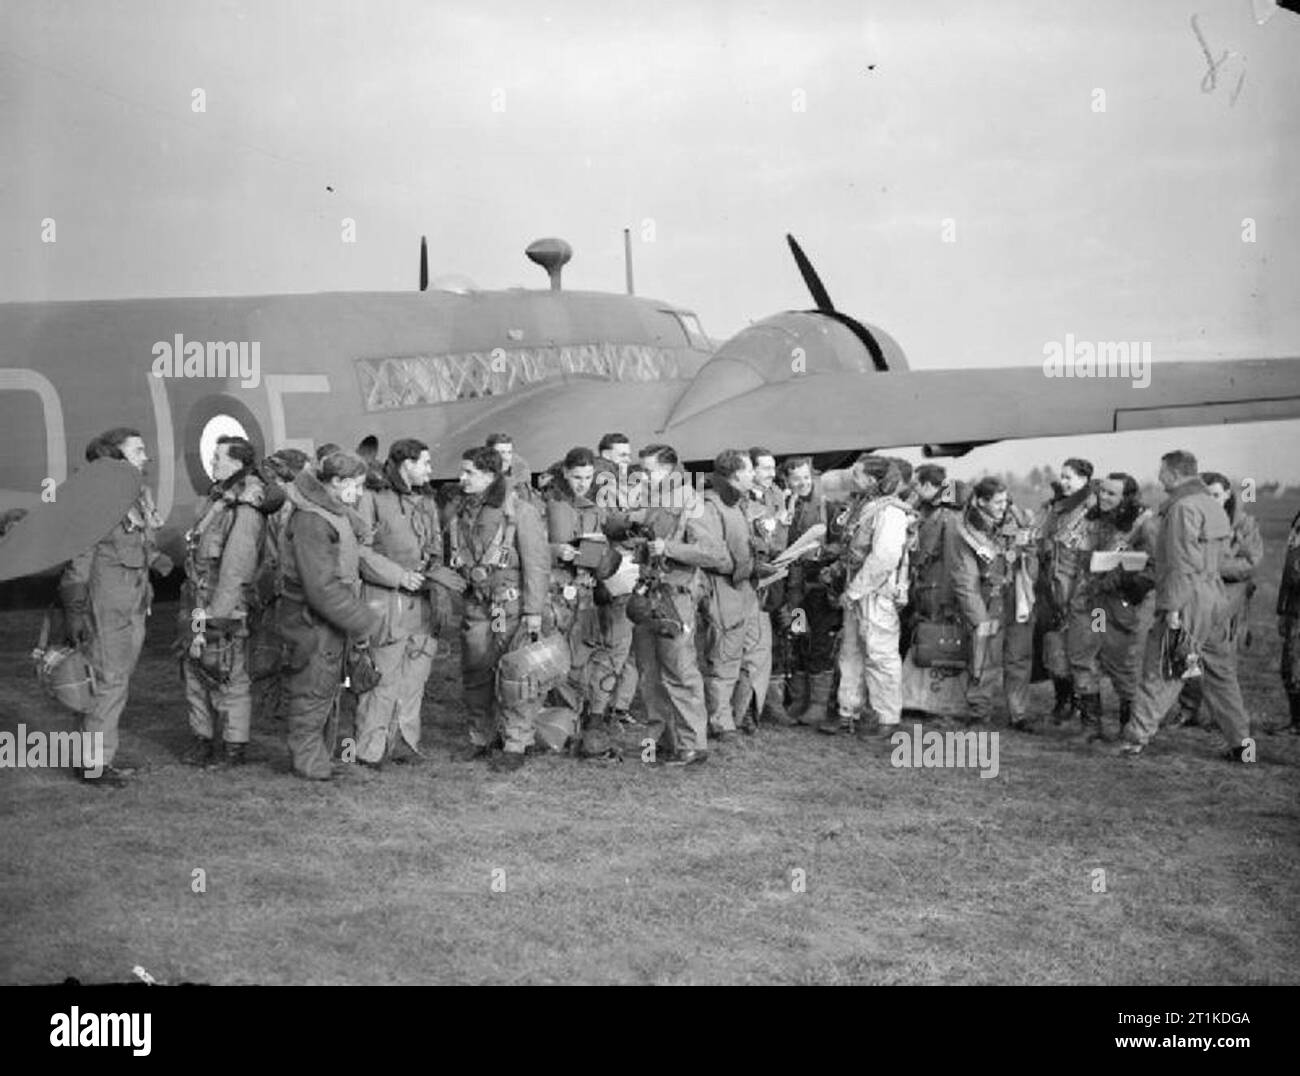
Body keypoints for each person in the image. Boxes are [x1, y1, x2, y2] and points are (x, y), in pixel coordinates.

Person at [60, 428, 173, 787]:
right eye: (138, 450)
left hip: (133, 603)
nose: (146, 457)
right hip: (108, 608)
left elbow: (131, 543)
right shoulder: (98, 501)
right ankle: (94, 765)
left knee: (112, 682)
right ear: (117, 458)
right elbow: (81, 555)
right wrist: (75, 609)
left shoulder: (134, 496)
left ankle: (91, 759)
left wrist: (156, 559)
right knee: (109, 683)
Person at [1120, 451, 1251, 760]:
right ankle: (1243, 746)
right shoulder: (1211, 505)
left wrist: (1173, 610)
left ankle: (1135, 740)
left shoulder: (1181, 508)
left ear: (1175, 474)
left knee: (1162, 670)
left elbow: (1181, 564)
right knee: (1221, 676)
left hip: (1188, 599)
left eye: (1162, 470)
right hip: (1215, 598)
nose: (1159, 475)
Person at [278, 451, 382, 781]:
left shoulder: (329, 514)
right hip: (314, 624)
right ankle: (312, 767)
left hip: (331, 621)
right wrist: (363, 619)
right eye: (357, 485)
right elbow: (320, 588)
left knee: (333, 691)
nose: (360, 493)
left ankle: (331, 759)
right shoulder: (313, 520)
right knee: (313, 692)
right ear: (336, 482)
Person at [179, 435, 281, 768]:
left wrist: (218, 617)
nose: (213, 464)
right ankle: (201, 741)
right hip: (197, 598)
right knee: (194, 669)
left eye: (219, 458)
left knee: (228, 673)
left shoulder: (245, 508)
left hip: (223, 605)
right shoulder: (218, 500)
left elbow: (236, 568)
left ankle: (234, 747)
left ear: (238, 463)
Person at [449, 446, 550, 772]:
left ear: (491, 476)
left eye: (470, 473)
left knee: (516, 679)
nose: (462, 478)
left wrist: (533, 612)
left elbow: (537, 565)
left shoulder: (521, 512)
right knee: (476, 672)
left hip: (511, 608)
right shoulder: (461, 512)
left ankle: (517, 742)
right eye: (462, 471)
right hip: (477, 606)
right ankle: (482, 737)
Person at [632, 444, 728, 765]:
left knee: (680, 672)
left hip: (675, 598)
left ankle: (692, 744)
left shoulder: (691, 501)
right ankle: (660, 739)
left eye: (649, 471)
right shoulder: (653, 498)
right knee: (648, 671)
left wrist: (669, 548)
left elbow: (715, 553)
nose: (643, 476)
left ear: (670, 468)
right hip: (648, 595)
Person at [351, 438, 441, 769]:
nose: (431, 470)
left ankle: (404, 742)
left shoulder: (426, 501)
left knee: (415, 676)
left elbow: (434, 545)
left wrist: (434, 571)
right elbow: (359, 551)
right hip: (386, 604)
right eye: (425, 463)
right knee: (381, 678)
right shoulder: (372, 498)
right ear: (406, 464)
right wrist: (399, 576)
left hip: (423, 605)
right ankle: (367, 750)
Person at [1167, 472, 1263, 730]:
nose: (1211, 501)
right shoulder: (1191, 519)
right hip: (1194, 598)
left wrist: (1212, 567)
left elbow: (1250, 563)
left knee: (1221, 664)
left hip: (1227, 599)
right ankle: (1188, 709)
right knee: (1186, 652)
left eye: (1216, 495)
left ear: (1228, 495)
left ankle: (1225, 720)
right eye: (1205, 495)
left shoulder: (1243, 524)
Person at [826, 457, 914, 738]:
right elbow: (855, 551)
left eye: (859, 475)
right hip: (859, 590)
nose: (854, 479)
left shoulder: (891, 513)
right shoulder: (865, 507)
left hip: (877, 593)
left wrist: (854, 591)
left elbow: (884, 558)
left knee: (880, 655)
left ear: (874, 480)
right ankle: (847, 712)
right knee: (850, 653)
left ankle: (886, 719)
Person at [1070, 474, 1157, 740]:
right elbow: (1080, 554)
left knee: (1121, 664)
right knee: (1084, 658)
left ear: (1127, 497)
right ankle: (1090, 726)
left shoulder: (1144, 524)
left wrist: (1126, 577)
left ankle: (1127, 725)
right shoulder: (1091, 519)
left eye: (1112, 494)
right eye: (1102, 492)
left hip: (1121, 604)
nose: (1104, 497)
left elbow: (1154, 566)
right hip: (1090, 602)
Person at [948, 476, 1038, 731]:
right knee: (984, 657)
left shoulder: (1019, 519)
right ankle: (979, 712)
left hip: (1018, 597)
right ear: (981, 501)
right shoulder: (964, 530)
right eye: (997, 502)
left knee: (1019, 657)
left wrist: (1028, 557)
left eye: (1005, 500)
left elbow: (1032, 558)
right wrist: (979, 619)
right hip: (987, 600)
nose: (1003, 506)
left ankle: (1018, 714)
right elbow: (964, 579)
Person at [699, 449, 757, 742]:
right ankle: (720, 721)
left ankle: (735, 714)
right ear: (735, 475)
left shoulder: (737, 503)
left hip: (742, 587)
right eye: (749, 470)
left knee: (744, 652)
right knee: (722, 655)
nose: (754, 475)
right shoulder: (711, 505)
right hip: (722, 587)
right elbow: (712, 552)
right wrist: (740, 566)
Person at [734, 446, 788, 730]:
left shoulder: (776, 496)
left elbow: (778, 538)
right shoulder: (739, 501)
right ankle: (739, 712)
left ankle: (750, 710)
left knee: (761, 648)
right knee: (740, 648)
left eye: (772, 467)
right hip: (743, 581)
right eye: (765, 468)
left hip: (771, 582)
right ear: (750, 470)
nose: (771, 473)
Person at [1038, 458, 1095, 724]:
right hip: (1054, 589)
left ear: (1085, 479)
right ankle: (1064, 700)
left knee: (1082, 653)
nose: (1064, 481)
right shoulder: (1058, 508)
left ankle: (1088, 710)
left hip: (1080, 592)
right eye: (1062, 476)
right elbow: (1043, 538)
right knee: (1054, 649)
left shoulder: (1091, 510)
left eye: (1069, 477)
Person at [778, 456, 833, 725]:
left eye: (805, 477)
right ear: (787, 481)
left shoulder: (828, 507)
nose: (802, 483)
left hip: (818, 588)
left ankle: (818, 704)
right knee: (798, 638)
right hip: (795, 589)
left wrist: (820, 553)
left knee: (819, 643)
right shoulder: (787, 506)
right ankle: (799, 699)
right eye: (796, 479)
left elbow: (839, 544)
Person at [1278, 506, 1300, 734]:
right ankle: (1296, 721)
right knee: (1289, 670)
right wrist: (1282, 611)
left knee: (1294, 670)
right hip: (1293, 612)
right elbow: (1287, 577)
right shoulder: (1296, 527)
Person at [485, 432, 534, 503]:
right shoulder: (478, 470)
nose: (506, 458)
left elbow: (526, 499)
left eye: (509, 452)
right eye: (501, 453)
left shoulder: (520, 468)